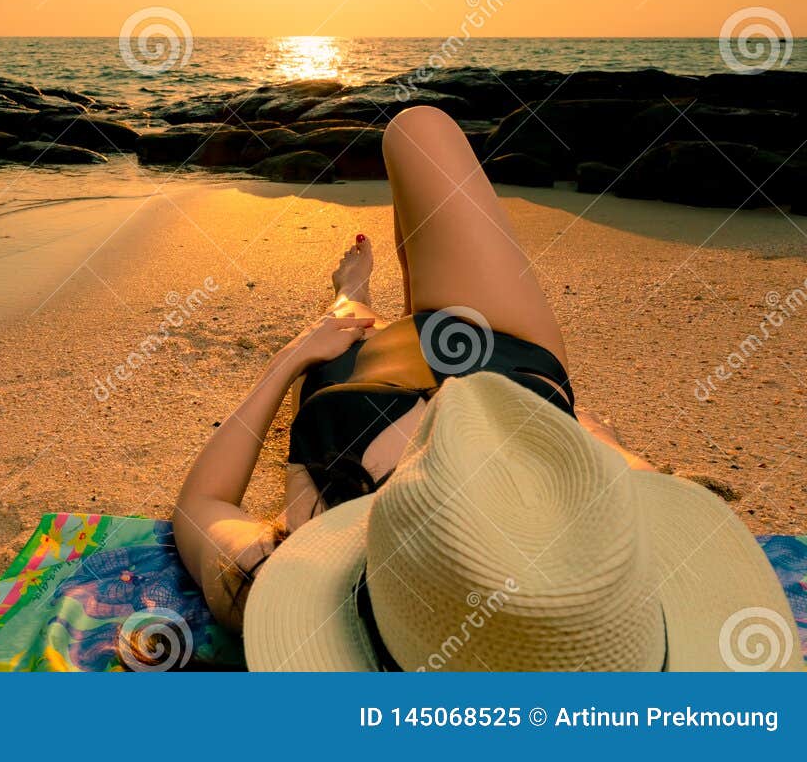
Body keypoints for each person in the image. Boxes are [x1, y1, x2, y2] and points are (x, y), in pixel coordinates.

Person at [173, 106, 798, 671]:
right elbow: (612, 455)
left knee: (413, 141)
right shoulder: (607, 565)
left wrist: (295, 354)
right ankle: (369, 309)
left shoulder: (293, 560)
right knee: (420, 133)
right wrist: (561, 443)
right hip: (512, 374)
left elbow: (200, 505)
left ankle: (349, 302)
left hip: (367, 405)